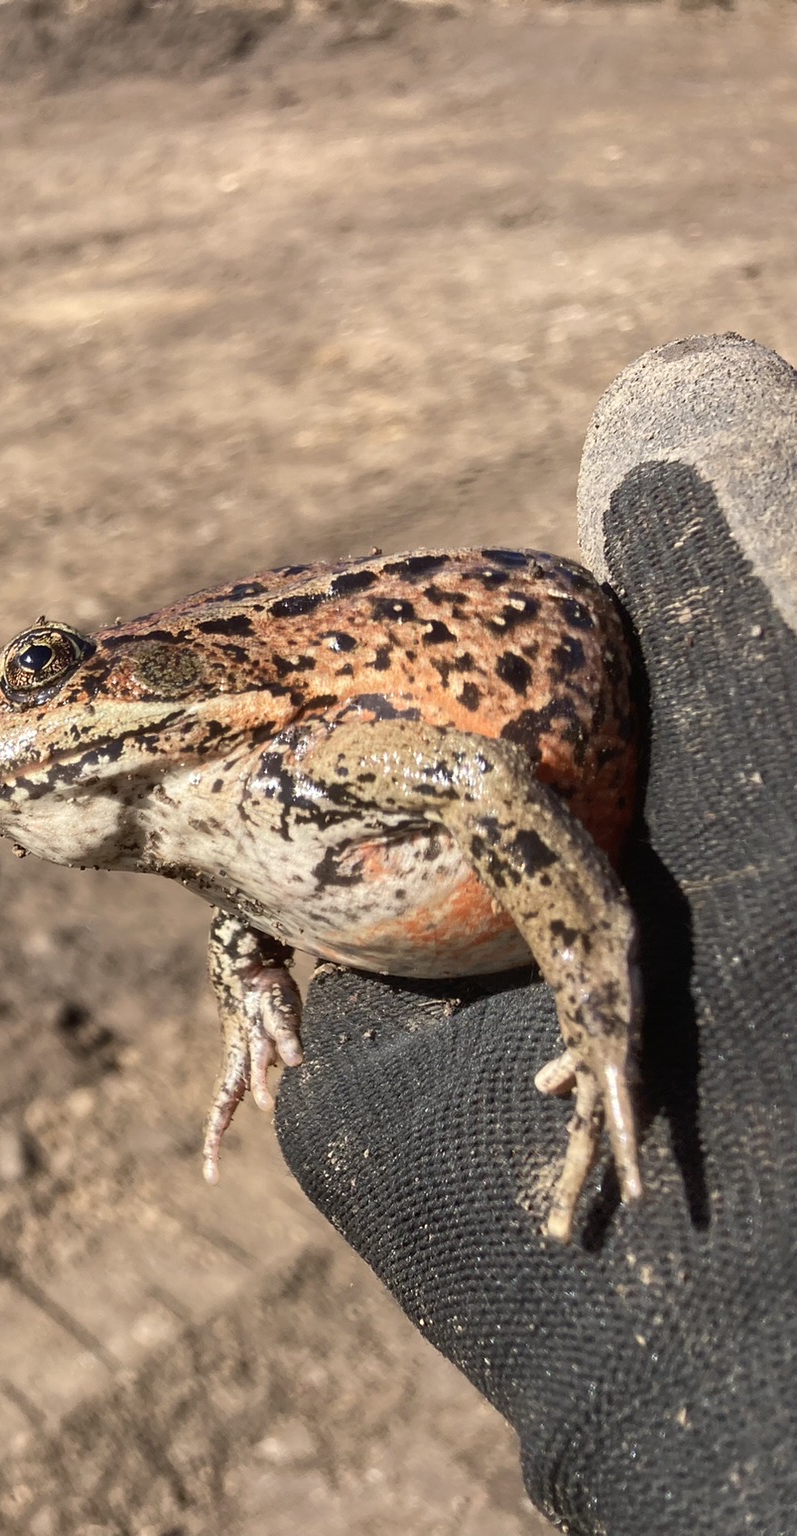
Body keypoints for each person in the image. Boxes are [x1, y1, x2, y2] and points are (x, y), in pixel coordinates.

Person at [275, 333, 797, 1533]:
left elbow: (481, 783)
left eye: (43, 670)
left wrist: (594, 1003)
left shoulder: (304, 735)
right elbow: (243, 895)